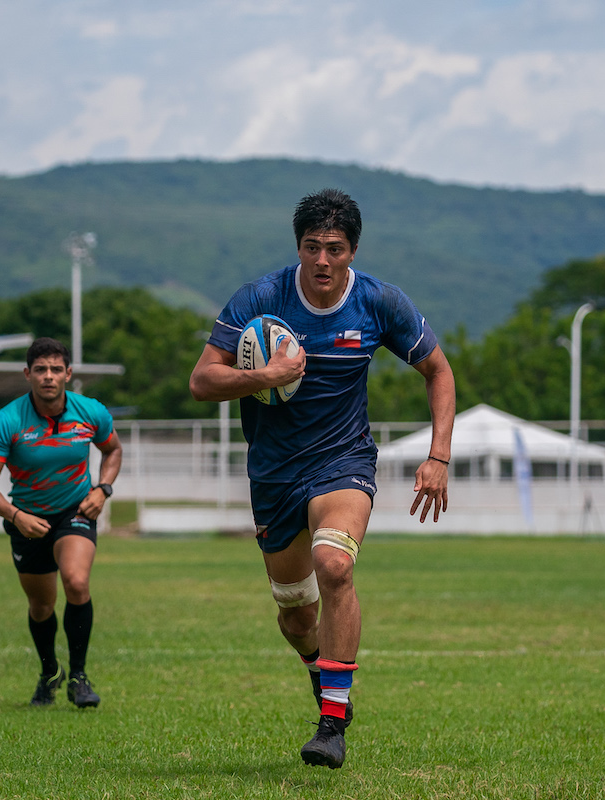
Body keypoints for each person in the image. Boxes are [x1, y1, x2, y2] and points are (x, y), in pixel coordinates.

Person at [189, 189, 455, 769]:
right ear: (299, 248)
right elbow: (202, 380)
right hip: (274, 473)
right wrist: (267, 373)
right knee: (294, 614)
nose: (323, 261)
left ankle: (331, 723)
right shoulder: (261, 298)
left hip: (343, 462)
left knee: (335, 565)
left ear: (352, 250)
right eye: (312, 248)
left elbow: (438, 369)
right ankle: (321, 671)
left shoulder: (380, 301)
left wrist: (438, 455)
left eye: (335, 249)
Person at [0, 337, 122, 708]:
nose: (49, 377)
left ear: (68, 374)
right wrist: (16, 516)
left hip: (76, 512)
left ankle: (79, 677)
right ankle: (49, 671)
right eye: (40, 369)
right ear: (28, 374)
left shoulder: (91, 413)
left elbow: (113, 450)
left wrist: (103, 488)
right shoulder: (7, 421)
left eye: (56, 369)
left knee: (76, 581)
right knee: (41, 607)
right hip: (27, 518)